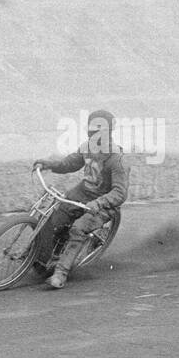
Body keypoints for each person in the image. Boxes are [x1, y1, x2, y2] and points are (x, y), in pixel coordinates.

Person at [32, 109, 130, 289]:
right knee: (51, 218)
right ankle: (40, 258)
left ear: (109, 131)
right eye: (91, 128)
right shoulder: (87, 148)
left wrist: (98, 203)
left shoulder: (117, 159)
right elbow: (70, 164)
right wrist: (48, 164)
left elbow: (119, 193)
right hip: (82, 193)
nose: (94, 133)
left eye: (99, 129)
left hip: (103, 202)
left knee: (78, 229)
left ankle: (60, 273)